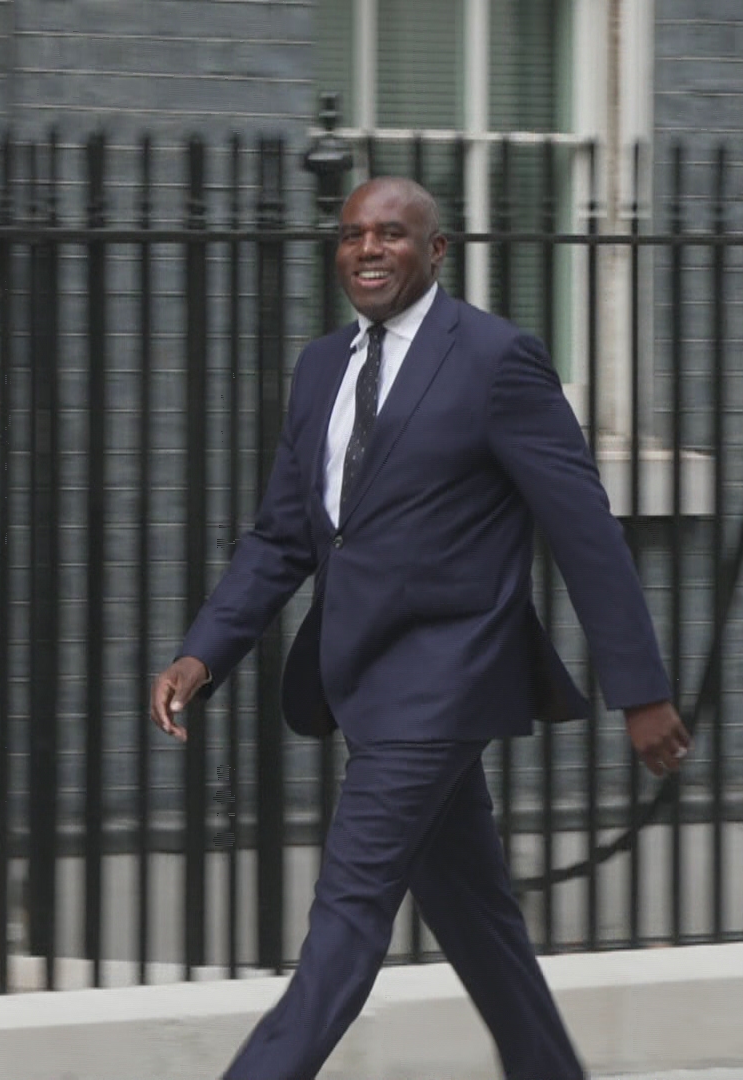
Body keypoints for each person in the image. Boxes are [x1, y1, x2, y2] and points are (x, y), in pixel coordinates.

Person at [147, 176, 691, 1080]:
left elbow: (582, 527)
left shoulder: (495, 358)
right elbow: (286, 535)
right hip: (361, 677)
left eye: (393, 234)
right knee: (477, 918)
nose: (368, 249)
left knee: (347, 915)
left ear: (437, 252)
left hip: (446, 679)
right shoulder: (323, 367)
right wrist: (205, 651)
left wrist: (642, 691)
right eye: (354, 233)